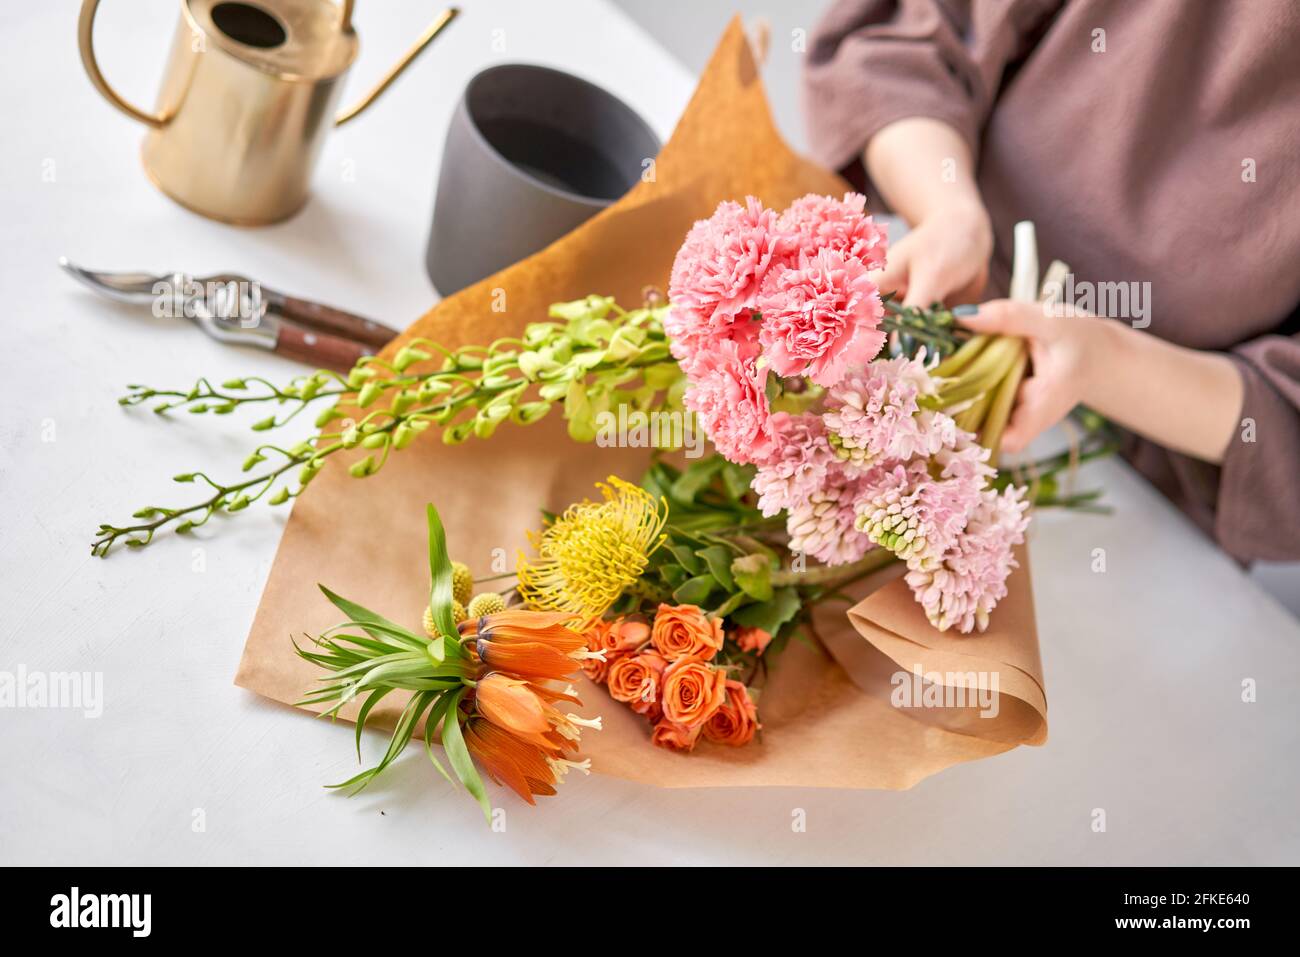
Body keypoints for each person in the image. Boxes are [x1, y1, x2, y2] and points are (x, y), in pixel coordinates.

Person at [802, 0, 1300, 563]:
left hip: (1143, 486)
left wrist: (1103, 360)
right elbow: (908, 36)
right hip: (922, 284)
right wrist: (948, 210)